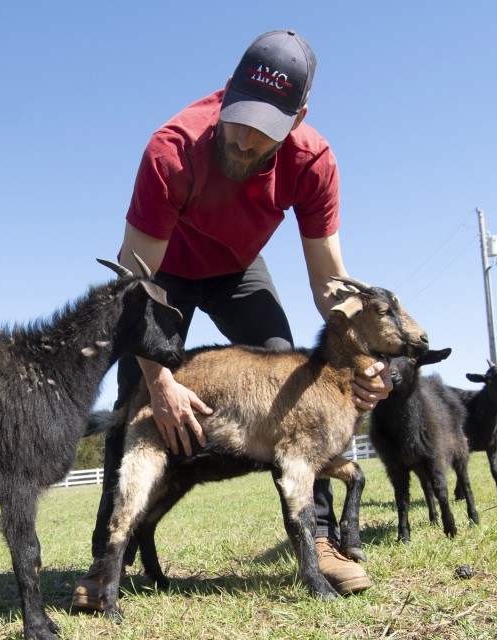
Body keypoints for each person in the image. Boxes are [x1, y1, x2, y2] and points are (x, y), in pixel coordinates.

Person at [72, 29, 390, 610]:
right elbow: (132, 280)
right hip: (161, 273)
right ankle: (104, 559)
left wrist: (362, 360)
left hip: (238, 268)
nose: (243, 140)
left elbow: (331, 285)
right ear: (228, 92)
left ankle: (317, 539)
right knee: (136, 398)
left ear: (299, 118)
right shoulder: (173, 147)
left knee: (290, 366)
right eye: (238, 117)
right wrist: (162, 381)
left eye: (264, 129)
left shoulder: (314, 161)